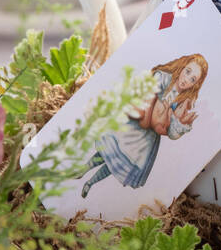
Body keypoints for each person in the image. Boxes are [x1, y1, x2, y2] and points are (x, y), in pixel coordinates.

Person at [79, 53, 208, 198]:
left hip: (147, 140)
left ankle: (90, 183)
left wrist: (178, 124)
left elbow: (169, 130)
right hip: (136, 123)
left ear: (195, 84)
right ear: (183, 66)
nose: (186, 79)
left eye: (192, 79)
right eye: (188, 71)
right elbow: (147, 102)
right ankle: (84, 169)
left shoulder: (183, 101)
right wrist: (154, 118)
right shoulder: (163, 78)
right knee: (110, 151)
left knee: (119, 163)